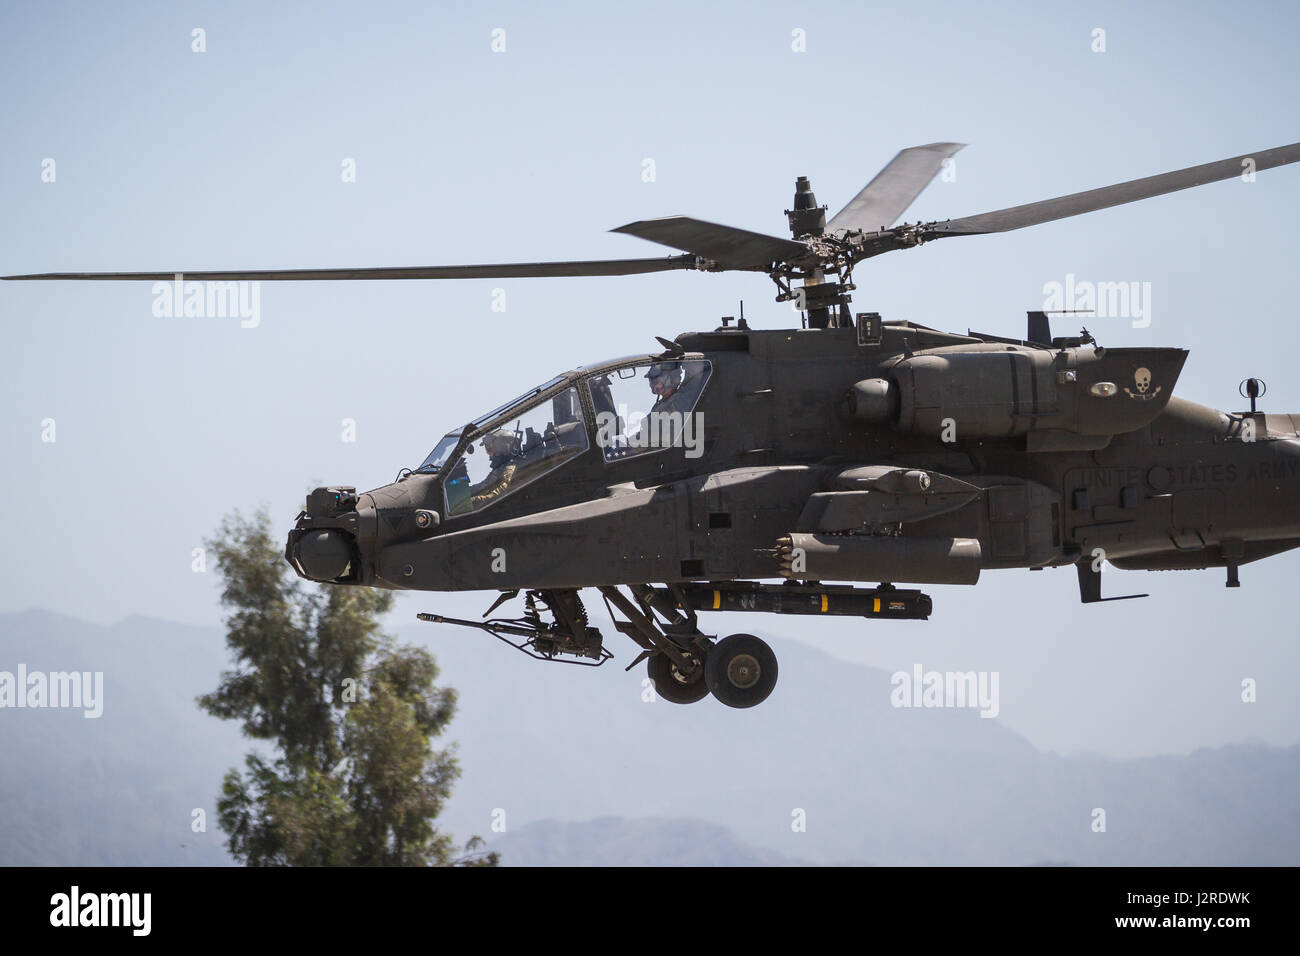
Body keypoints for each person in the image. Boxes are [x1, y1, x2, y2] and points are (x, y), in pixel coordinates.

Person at [467, 428, 520, 509]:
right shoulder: (500, 468)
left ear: (501, 445)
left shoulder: (511, 467)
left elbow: (501, 492)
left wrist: (475, 500)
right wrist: (465, 492)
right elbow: (484, 485)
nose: (488, 452)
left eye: (490, 447)